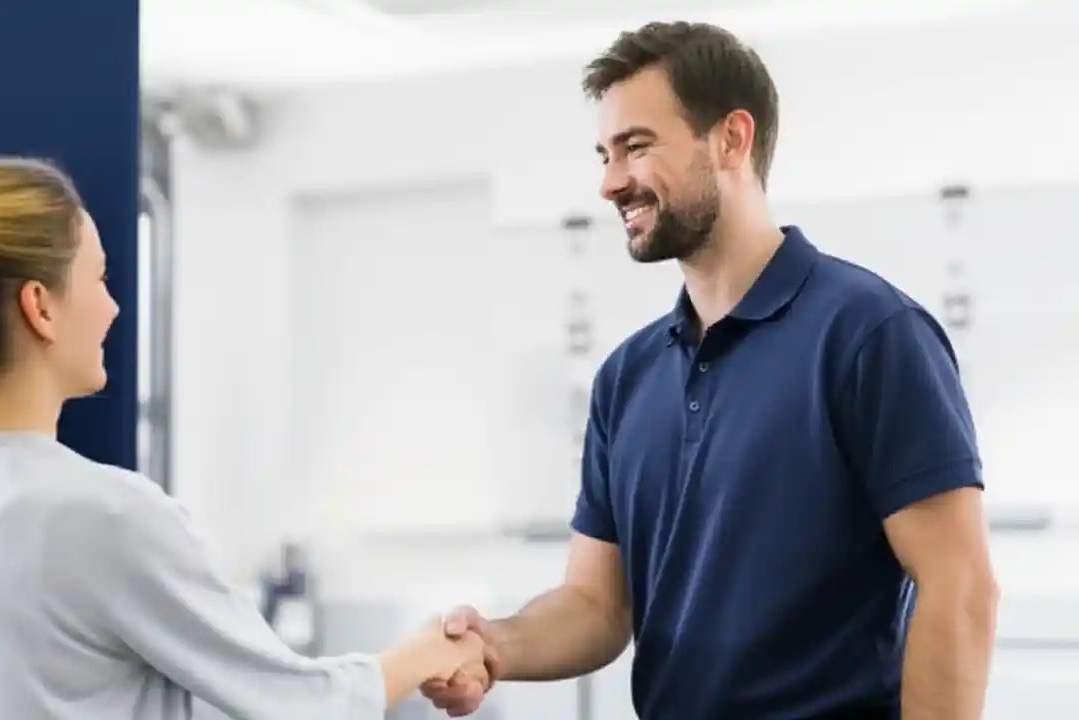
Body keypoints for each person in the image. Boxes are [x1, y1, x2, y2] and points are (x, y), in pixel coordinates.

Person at [422, 20, 998, 720]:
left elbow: (958, 587)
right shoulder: (625, 378)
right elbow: (596, 605)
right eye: (604, 154)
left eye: (636, 148)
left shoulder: (869, 335)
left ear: (731, 139)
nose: (609, 183)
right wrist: (495, 644)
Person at [0, 156, 482, 719]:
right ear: (40, 306)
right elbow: (300, 704)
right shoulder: (101, 514)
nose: (111, 308)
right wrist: (428, 650)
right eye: (100, 278)